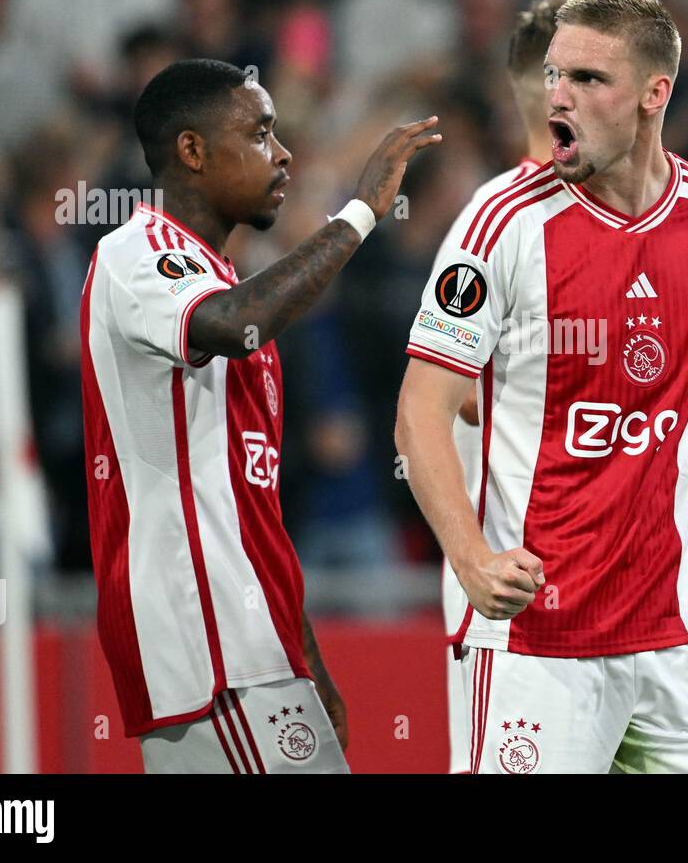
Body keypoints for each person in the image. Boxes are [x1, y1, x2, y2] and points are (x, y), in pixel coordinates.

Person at [396, 0, 688, 774]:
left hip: (669, 637)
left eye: (586, 79)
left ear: (654, 94)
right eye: (552, 75)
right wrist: (471, 560)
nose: (556, 96)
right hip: (537, 635)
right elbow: (420, 413)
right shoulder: (499, 222)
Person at [81, 58, 440, 772]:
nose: (283, 155)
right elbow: (230, 322)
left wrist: (302, 652)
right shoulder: (138, 253)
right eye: (260, 133)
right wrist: (361, 210)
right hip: (207, 641)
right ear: (192, 151)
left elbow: (246, 508)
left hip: (251, 643)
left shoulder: (217, 278)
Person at [433, 0, 567, 774]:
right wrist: (476, 562)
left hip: (635, 603)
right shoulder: (497, 226)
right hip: (519, 596)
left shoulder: (623, 221)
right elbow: (439, 400)